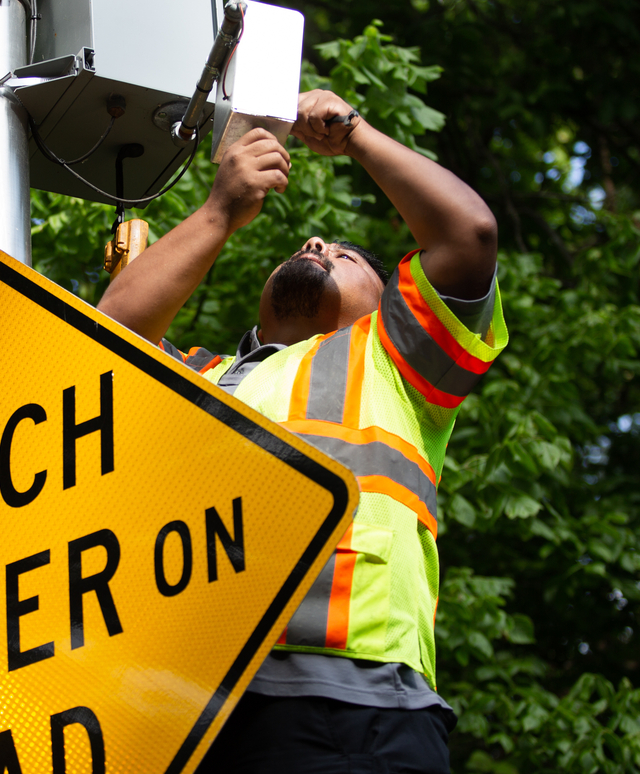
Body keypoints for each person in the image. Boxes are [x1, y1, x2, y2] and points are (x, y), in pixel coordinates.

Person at [96, 89, 509, 773]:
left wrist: (356, 135)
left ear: (393, 302)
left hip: (359, 703)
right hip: (185, 710)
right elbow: (106, 339)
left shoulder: (396, 355)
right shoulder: (200, 374)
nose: (318, 243)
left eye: (346, 256)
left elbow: (469, 234)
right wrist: (220, 209)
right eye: (312, 243)